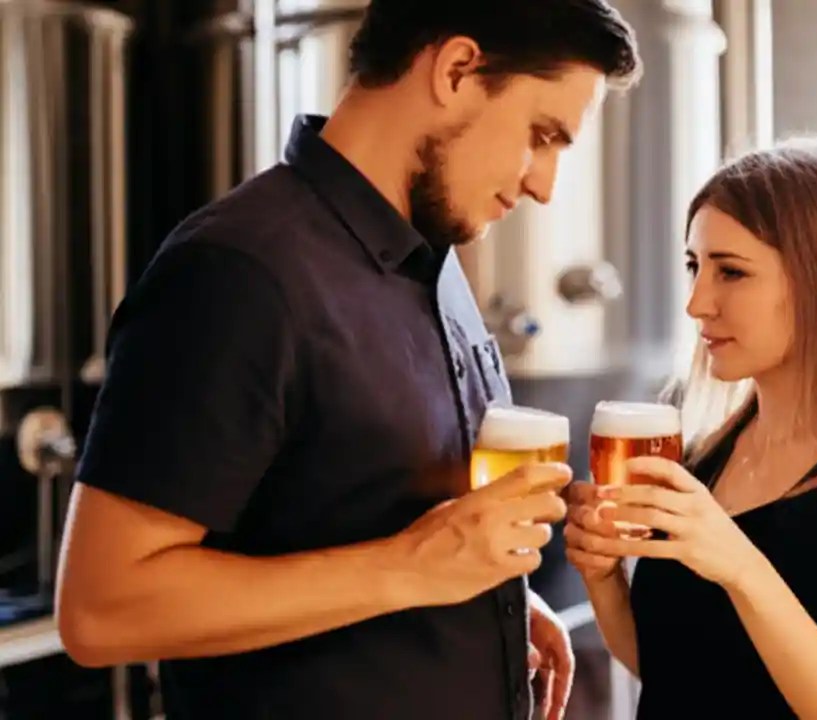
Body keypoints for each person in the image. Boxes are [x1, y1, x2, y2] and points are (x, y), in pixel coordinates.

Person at [54, 2, 640, 719]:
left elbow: (364, 515)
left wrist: (493, 609)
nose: (544, 185)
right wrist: (412, 571)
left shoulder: (437, 262)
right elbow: (101, 609)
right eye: (541, 135)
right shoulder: (238, 272)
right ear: (457, 70)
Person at [565, 138, 817, 719]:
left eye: (731, 271)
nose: (698, 302)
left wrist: (741, 567)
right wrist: (603, 579)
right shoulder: (708, 458)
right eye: (694, 266)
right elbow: (674, 669)